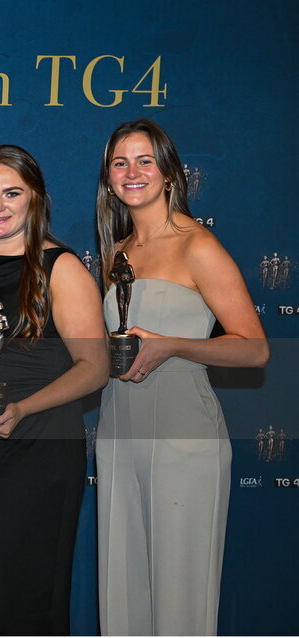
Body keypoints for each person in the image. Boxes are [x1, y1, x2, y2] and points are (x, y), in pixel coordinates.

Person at [94, 119, 269, 636]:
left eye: (145, 160)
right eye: (120, 162)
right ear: (108, 177)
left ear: (169, 172)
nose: (133, 172)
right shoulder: (114, 254)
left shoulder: (198, 245)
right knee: (121, 589)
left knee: (179, 598)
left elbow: (255, 348)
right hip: (118, 433)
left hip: (183, 435)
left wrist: (171, 345)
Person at [0, 145, 108, 635]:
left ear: (36, 199)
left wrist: (22, 408)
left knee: (27, 598)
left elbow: (95, 368)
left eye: (12, 193)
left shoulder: (62, 267)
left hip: (40, 448)